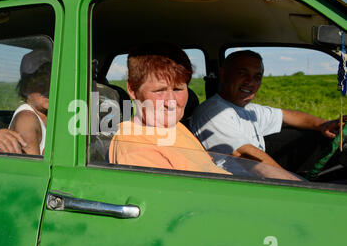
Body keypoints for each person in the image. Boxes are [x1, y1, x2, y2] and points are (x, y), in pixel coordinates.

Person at [190, 50, 344, 170]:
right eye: (242, 73)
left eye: (257, 76)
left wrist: (322, 124)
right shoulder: (213, 112)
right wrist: (292, 184)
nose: (250, 82)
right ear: (223, 74)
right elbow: (246, 155)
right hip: (242, 190)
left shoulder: (248, 109)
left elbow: (286, 116)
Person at [108, 42, 230, 175]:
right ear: (132, 89)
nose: (171, 102)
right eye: (159, 90)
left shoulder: (174, 126)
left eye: (178, 89)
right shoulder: (136, 147)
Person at [9, 50, 51, 155]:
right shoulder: (26, 119)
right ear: (25, 89)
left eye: (52, 81)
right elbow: (33, 168)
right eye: (40, 83)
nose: (48, 88)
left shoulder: (50, 114)